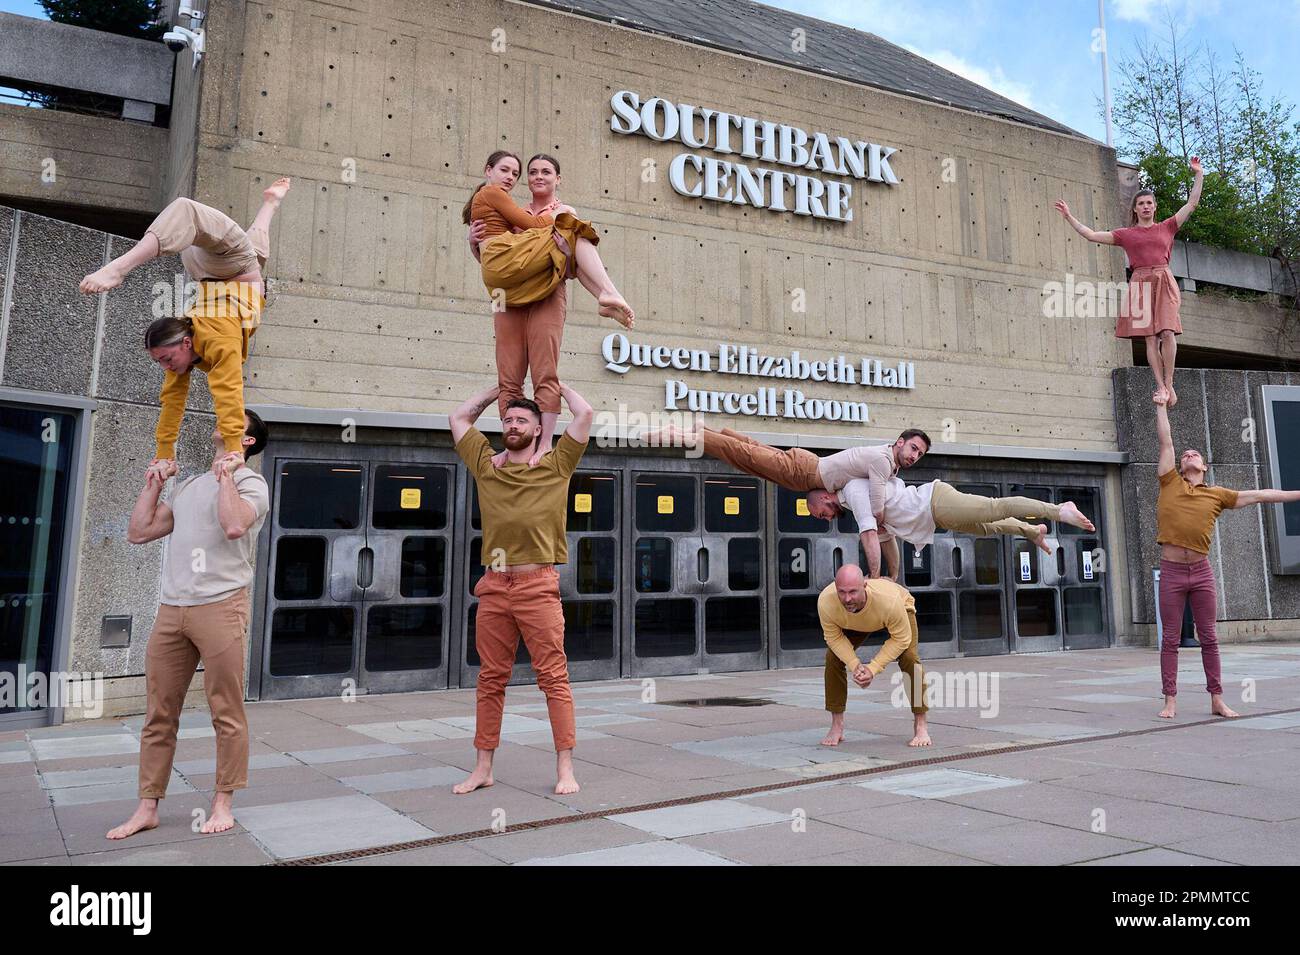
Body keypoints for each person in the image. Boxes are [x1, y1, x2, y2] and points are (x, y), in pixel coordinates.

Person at [107, 411, 270, 840]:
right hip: (171, 609)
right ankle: (148, 806)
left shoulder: (253, 484)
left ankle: (223, 801)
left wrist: (228, 477)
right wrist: (155, 483)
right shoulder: (189, 485)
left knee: (225, 711)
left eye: (235, 421)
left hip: (221, 606)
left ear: (248, 442)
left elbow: (234, 525)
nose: (223, 420)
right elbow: (139, 532)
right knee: (159, 713)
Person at [659, 424, 1094, 575]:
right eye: (913, 450)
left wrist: (877, 574)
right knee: (748, 456)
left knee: (992, 511)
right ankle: (1032, 529)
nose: (821, 515)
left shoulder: (862, 483)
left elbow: (876, 530)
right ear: (899, 443)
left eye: (919, 453)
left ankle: (1057, 511)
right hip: (815, 472)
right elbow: (881, 531)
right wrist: (890, 574)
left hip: (932, 503)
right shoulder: (867, 476)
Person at [80, 178, 292, 464]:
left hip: (216, 270)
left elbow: (211, 394)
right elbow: (190, 398)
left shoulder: (207, 339)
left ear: (186, 342)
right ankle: (271, 201)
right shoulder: (200, 346)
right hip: (238, 270)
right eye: (160, 362)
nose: (166, 367)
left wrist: (228, 448)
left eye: (165, 359)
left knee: (185, 211)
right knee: (257, 247)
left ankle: (119, 267)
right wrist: (168, 455)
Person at [448, 381, 593, 795]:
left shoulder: (557, 463)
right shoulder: (485, 463)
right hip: (494, 584)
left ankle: (565, 769)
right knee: (491, 678)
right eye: (508, 420)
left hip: (537, 584)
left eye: (522, 420)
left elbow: (584, 415)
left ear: (537, 429)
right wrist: (499, 392)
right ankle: (483, 769)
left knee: (553, 677)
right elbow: (459, 418)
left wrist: (554, 384)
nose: (513, 425)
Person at [1152, 393, 1300, 719]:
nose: (1189, 455)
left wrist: (1297, 494)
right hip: (1173, 571)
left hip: (1201, 572)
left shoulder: (1218, 495)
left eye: (1196, 454)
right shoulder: (1169, 482)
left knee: (1209, 637)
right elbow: (1166, 442)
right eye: (1186, 454)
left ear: (1203, 467)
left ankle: (1217, 699)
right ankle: (1170, 700)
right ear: (1181, 465)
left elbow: (1261, 495)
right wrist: (1161, 407)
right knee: (1170, 639)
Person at [467, 154, 600, 465]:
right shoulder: (513, 211)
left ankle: (543, 446)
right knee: (508, 375)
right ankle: (511, 447)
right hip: (509, 298)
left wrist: (566, 250)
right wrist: (472, 244)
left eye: (546, 172)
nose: (538, 176)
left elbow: (568, 268)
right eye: (532, 172)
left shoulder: (565, 213)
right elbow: (501, 265)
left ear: (558, 178)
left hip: (548, 295)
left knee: (544, 371)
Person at [1054, 157, 1202, 406]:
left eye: (1149, 203)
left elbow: (1192, 203)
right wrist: (1070, 217)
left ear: (1154, 207)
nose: (1145, 207)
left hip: (1163, 278)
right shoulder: (1126, 234)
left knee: (1167, 331)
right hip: (1141, 281)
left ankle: (1169, 383)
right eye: (1141, 203)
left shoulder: (1167, 227)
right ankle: (1160, 387)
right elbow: (1091, 235)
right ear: (1135, 209)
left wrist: (1199, 174)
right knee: (1150, 338)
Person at [819, 565, 931, 748]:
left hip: (898, 609)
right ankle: (836, 725)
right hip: (856, 621)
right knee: (833, 658)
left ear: (864, 585)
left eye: (853, 592)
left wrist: (872, 668)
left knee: (909, 657)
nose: (847, 598)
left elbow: (901, 639)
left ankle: (921, 723)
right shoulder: (826, 601)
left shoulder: (889, 600)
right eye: (842, 592)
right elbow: (833, 637)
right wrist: (855, 665)